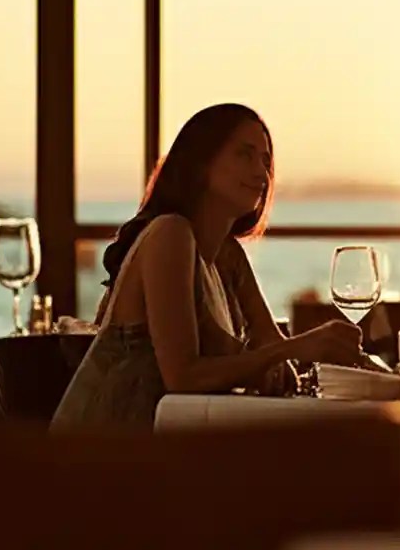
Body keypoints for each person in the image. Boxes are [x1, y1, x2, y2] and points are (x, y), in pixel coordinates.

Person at [53, 104, 366, 427]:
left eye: (265, 160)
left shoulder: (228, 255)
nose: (261, 173)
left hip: (173, 441)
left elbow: (272, 346)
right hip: (102, 448)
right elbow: (182, 376)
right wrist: (297, 347)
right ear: (201, 163)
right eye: (244, 155)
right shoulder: (169, 233)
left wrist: (304, 359)